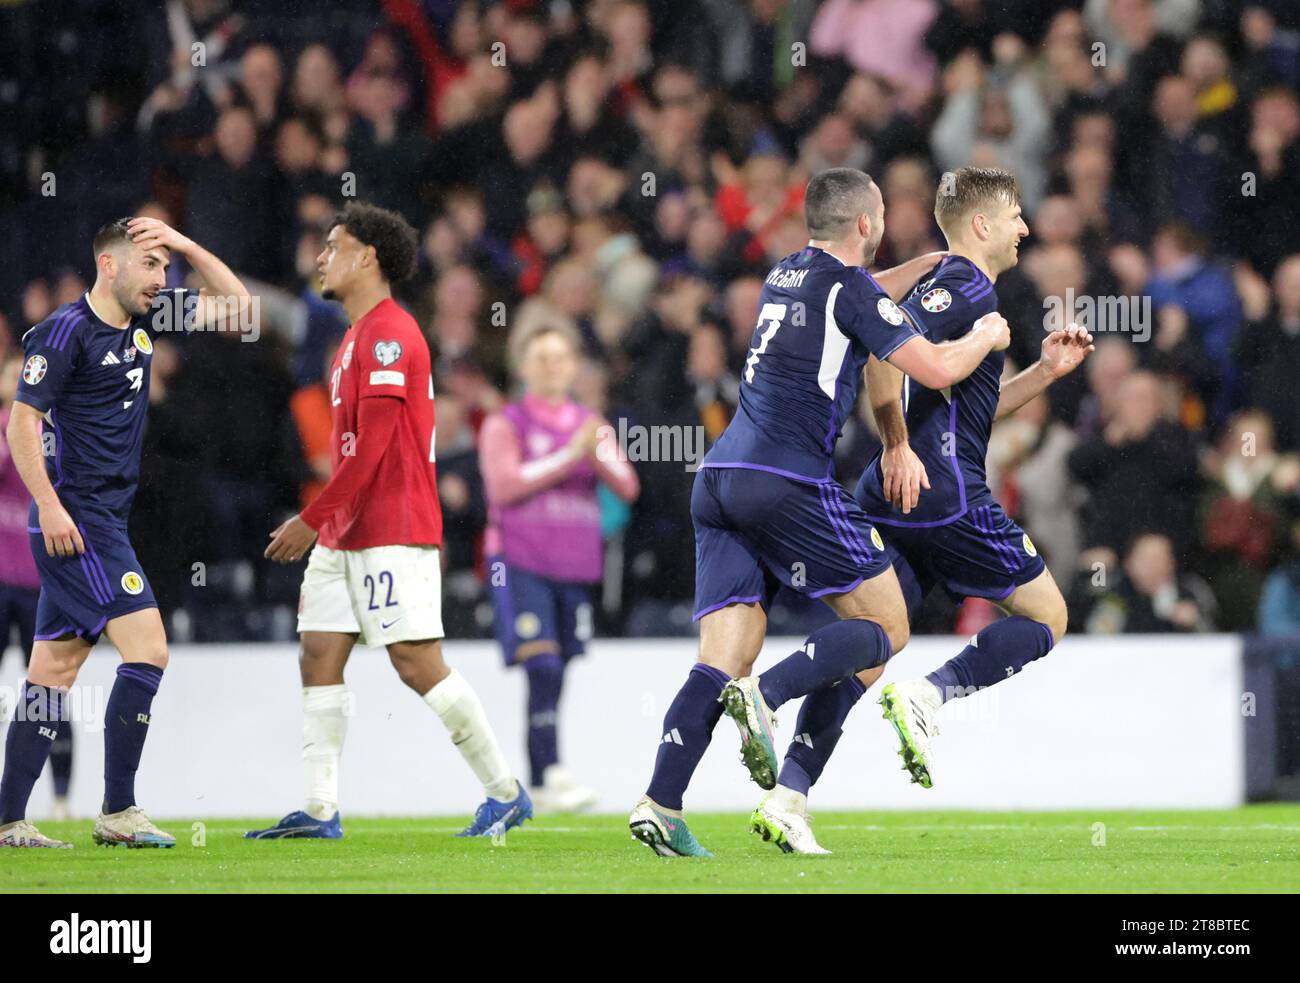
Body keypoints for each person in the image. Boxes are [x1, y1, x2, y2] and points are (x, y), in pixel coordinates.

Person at [628, 167, 1012, 857]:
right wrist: (986, 335)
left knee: (720, 656)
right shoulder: (852, 290)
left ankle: (659, 801)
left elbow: (868, 294)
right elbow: (936, 368)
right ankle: (768, 696)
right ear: (866, 223)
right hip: (788, 480)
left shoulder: (786, 275)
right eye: (884, 214)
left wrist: (927, 263)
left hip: (719, 479)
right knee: (887, 626)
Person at [750, 167, 1094, 854]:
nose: (1026, 228)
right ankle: (932, 695)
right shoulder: (965, 285)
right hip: (944, 497)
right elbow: (882, 343)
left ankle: (786, 792)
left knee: (874, 643)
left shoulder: (960, 291)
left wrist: (1042, 376)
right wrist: (898, 441)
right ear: (983, 226)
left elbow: (967, 408)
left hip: (893, 494)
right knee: (1049, 614)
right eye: (1017, 215)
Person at [246, 202, 529, 841]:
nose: (321, 257)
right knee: (318, 650)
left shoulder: (389, 334)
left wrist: (310, 519)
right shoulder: (352, 339)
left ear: (368, 257)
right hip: (347, 527)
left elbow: (371, 451)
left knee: (414, 659)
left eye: (334, 245)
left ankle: (505, 791)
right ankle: (321, 809)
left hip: (392, 525)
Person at [0, 215, 249, 848]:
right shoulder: (63, 333)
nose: (160, 279)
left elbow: (240, 311)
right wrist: (49, 506)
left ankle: (7, 821)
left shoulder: (149, 316)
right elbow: (21, 424)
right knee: (149, 648)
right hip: (77, 520)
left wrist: (186, 242)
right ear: (109, 266)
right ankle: (118, 811)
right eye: (150, 266)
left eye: (164, 268)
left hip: (103, 518)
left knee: (52, 672)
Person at [480, 322, 639, 812]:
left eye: (560, 357)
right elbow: (504, 486)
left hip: (573, 564)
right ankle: (548, 772)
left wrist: (594, 453)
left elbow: (628, 486)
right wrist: (572, 456)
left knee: (559, 667)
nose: (552, 367)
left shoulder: (591, 424)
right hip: (520, 560)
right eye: (541, 358)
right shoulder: (505, 423)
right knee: (542, 664)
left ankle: (544, 777)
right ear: (524, 367)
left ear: (574, 366)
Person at [0, 354, 73, 820]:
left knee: (50, 689)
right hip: (4, 580)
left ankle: (62, 797)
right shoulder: (14, 433)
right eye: (11, 374)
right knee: (50, 689)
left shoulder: (55, 436)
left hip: (40, 581)